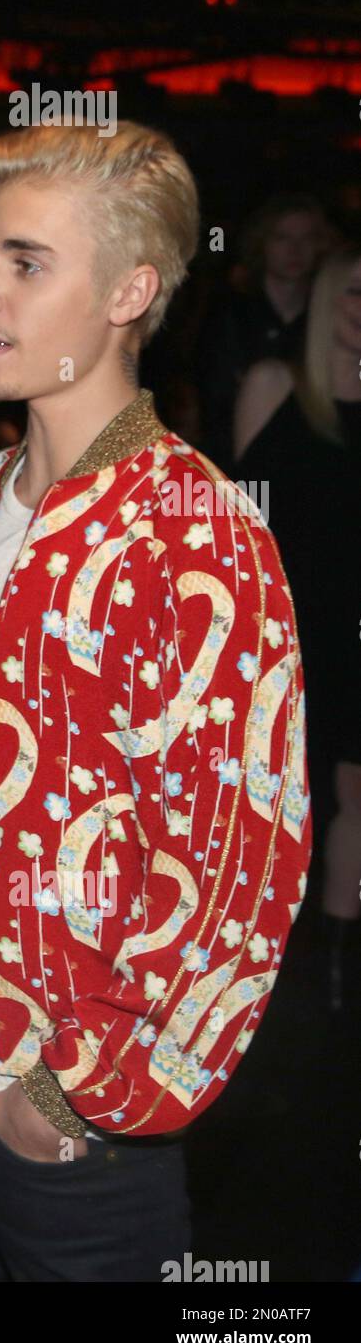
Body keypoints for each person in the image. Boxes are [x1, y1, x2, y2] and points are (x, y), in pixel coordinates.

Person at [0, 120, 312, 1282]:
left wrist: (66, 1090)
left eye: (26, 262)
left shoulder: (199, 533)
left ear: (132, 289)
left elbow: (240, 868)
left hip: (71, 1136)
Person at [233, 245, 361, 979]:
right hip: (282, 631)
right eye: (352, 294)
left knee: (351, 790)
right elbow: (241, 531)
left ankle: (335, 966)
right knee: (277, 798)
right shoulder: (274, 384)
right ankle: (255, 965)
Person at [197, 193, 331, 470]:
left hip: (310, 462)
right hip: (234, 466)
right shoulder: (230, 314)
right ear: (262, 243)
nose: (296, 250)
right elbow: (213, 403)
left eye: (306, 239)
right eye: (283, 238)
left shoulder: (329, 316)